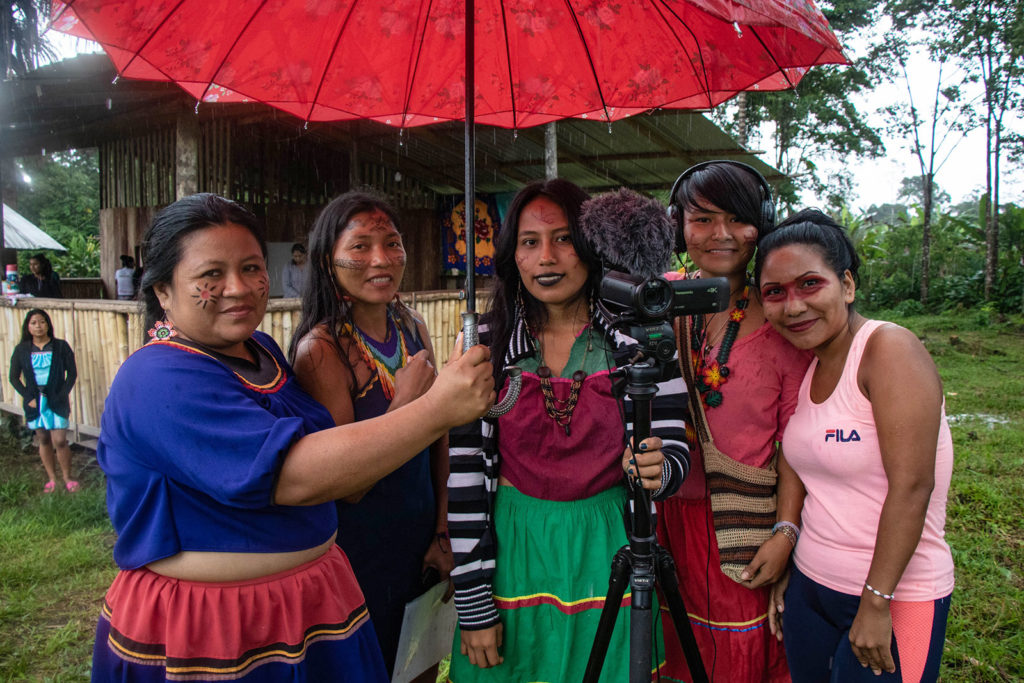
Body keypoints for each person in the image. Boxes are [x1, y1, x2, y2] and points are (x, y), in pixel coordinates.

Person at [91, 193, 495, 682]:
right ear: (161, 290)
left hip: (307, 601)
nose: (238, 288)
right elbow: (293, 472)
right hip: (218, 624)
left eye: (252, 267)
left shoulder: (258, 349)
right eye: (210, 276)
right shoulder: (157, 377)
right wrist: (432, 407)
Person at [448, 179, 691, 682]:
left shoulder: (639, 336)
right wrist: (473, 603)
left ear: (590, 248)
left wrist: (657, 467)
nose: (547, 258)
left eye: (563, 239)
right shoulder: (485, 345)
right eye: (530, 242)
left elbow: (672, 442)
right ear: (513, 255)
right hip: (513, 551)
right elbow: (466, 475)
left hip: (609, 548)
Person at [755, 209, 954, 682]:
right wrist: (789, 540)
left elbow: (912, 486)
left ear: (846, 285)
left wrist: (876, 601)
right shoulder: (810, 365)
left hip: (893, 596)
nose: (794, 306)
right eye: (774, 293)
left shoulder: (888, 350)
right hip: (809, 589)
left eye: (809, 284)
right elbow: (798, 463)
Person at [658, 161, 811, 682]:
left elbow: (796, 443)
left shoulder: (783, 318)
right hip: (664, 523)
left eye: (737, 218)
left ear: (761, 223)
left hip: (742, 526)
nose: (719, 234)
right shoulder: (657, 300)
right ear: (679, 224)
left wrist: (786, 534)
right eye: (702, 218)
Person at [289, 192, 450, 679]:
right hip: (360, 550)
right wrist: (406, 403)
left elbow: (438, 436)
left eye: (392, 243)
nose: (380, 260)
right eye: (360, 246)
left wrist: (443, 530)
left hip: (420, 535)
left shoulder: (412, 327)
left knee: (420, 661)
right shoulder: (320, 351)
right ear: (327, 260)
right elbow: (348, 484)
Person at [9, 308, 78, 493]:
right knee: (43, 438)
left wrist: (63, 393)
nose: (38, 326)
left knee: (60, 440)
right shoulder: (22, 349)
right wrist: (28, 397)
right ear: (28, 327)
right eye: (33, 323)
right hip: (34, 401)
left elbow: (72, 374)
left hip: (56, 400)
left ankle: (67, 477)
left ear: (48, 324)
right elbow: (13, 377)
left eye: (42, 322)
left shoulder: (61, 347)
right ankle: (52, 479)